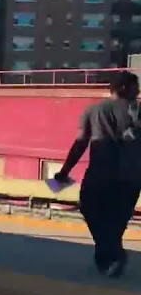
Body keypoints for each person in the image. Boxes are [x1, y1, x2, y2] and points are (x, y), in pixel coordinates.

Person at [54, 71, 141, 277]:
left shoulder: (93, 110)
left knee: (90, 208)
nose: (138, 91)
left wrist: (64, 171)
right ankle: (111, 256)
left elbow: (81, 143)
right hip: (132, 177)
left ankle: (110, 255)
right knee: (118, 219)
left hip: (100, 174)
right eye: (135, 86)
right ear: (124, 88)